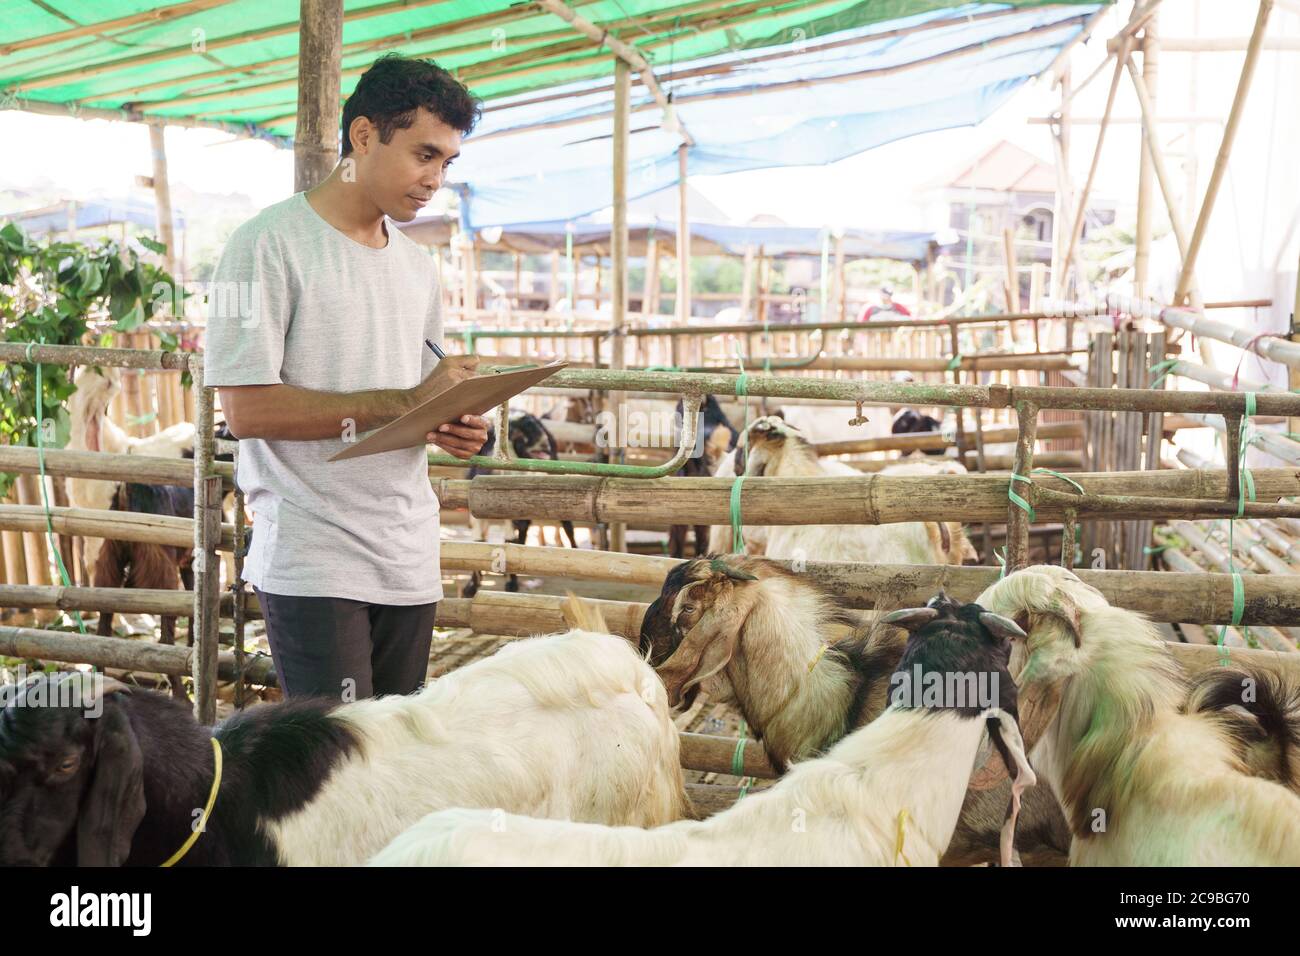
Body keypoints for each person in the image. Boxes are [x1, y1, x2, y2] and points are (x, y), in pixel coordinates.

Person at [204, 54, 489, 701]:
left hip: (408, 550)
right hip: (314, 553)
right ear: (364, 137)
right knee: (337, 764)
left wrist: (453, 420)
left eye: (447, 162)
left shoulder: (418, 268)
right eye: (424, 154)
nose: (435, 179)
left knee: (393, 759)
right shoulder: (261, 244)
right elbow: (246, 412)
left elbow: (414, 402)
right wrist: (410, 399)